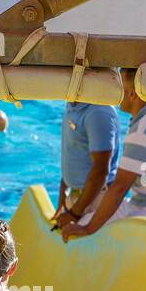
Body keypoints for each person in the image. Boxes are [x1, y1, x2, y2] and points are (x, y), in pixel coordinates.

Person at [61, 68, 146, 239]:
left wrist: (88, 230)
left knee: (80, 233)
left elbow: (119, 188)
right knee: (87, 222)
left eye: (120, 88)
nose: (115, 94)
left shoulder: (145, 128)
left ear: (132, 94)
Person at [53, 98, 121, 233]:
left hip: (94, 201)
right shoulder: (74, 104)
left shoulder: (98, 112)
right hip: (79, 198)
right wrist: (64, 187)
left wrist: (74, 213)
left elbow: (101, 170)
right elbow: (74, 150)